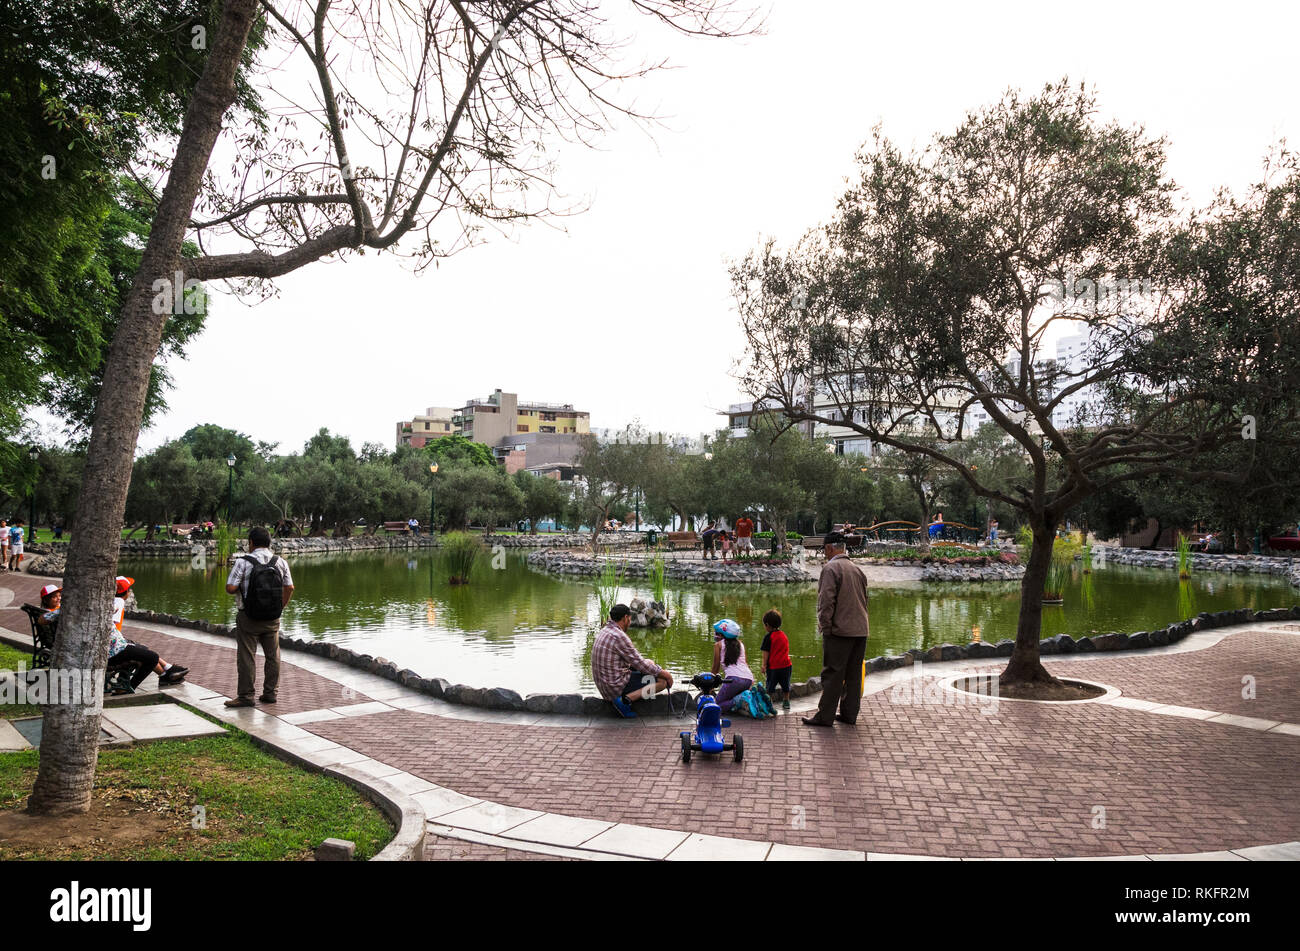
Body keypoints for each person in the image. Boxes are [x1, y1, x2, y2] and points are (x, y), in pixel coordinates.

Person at [803, 532, 870, 728]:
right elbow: (865, 600)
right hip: (861, 630)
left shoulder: (831, 568)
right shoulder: (856, 569)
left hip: (840, 631)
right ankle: (849, 714)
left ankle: (825, 717)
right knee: (854, 675)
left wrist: (826, 627)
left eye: (824, 549)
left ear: (829, 548)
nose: (824, 553)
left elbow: (826, 602)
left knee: (833, 674)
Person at [224, 526, 294, 707]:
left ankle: (246, 696)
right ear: (269, 543)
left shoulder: (243, 562)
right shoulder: (280, 562)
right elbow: (290, 587)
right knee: (273, 655)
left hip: (248, 616)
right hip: (272, 617)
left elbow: (230, 588)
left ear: (251, 543)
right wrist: (281, 606)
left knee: (247, 656)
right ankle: (270, 693)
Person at [591, 603, 673, 718]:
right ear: (625, 618)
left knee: (649, 663)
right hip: (615, 687)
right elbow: (640, 664)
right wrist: (666, 674)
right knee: (662, 681)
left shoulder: (605, 630)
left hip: (605, 685)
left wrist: (650, 665)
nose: (630, 623)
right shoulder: (619, 636)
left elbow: (635, 661)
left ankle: (624, 698)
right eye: (629, 619)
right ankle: (625, 701)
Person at [106, 577, 189, 689]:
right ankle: (129, 687)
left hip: (116, 644)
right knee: (149, 655)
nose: (130, 592)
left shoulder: (110, 602)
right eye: (129, 590)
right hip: (115, 648)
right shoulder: (118, 602)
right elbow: (114, 624)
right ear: (125, 592)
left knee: (143, 650)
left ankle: (167, 671)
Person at [708, 618, 753, 712]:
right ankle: (749, 698)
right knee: (731, 698)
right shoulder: (740, 644)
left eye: (717, 633)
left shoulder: (718, 645)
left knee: (717, 705)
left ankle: (740, 700)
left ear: (722, 635)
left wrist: (710, 686)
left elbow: (715, 668)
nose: (715, 635)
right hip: (748, 679)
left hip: (733, 680)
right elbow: (745, 663)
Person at [760, 608, 793, 712]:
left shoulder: (768, 637)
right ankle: (786, 701)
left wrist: (764, 665)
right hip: (786, 665)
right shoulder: (783, 635)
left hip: (774, 667)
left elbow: (766, 652)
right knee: (785, 684)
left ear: (767, 625)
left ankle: (768, 702)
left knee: (770, 686)